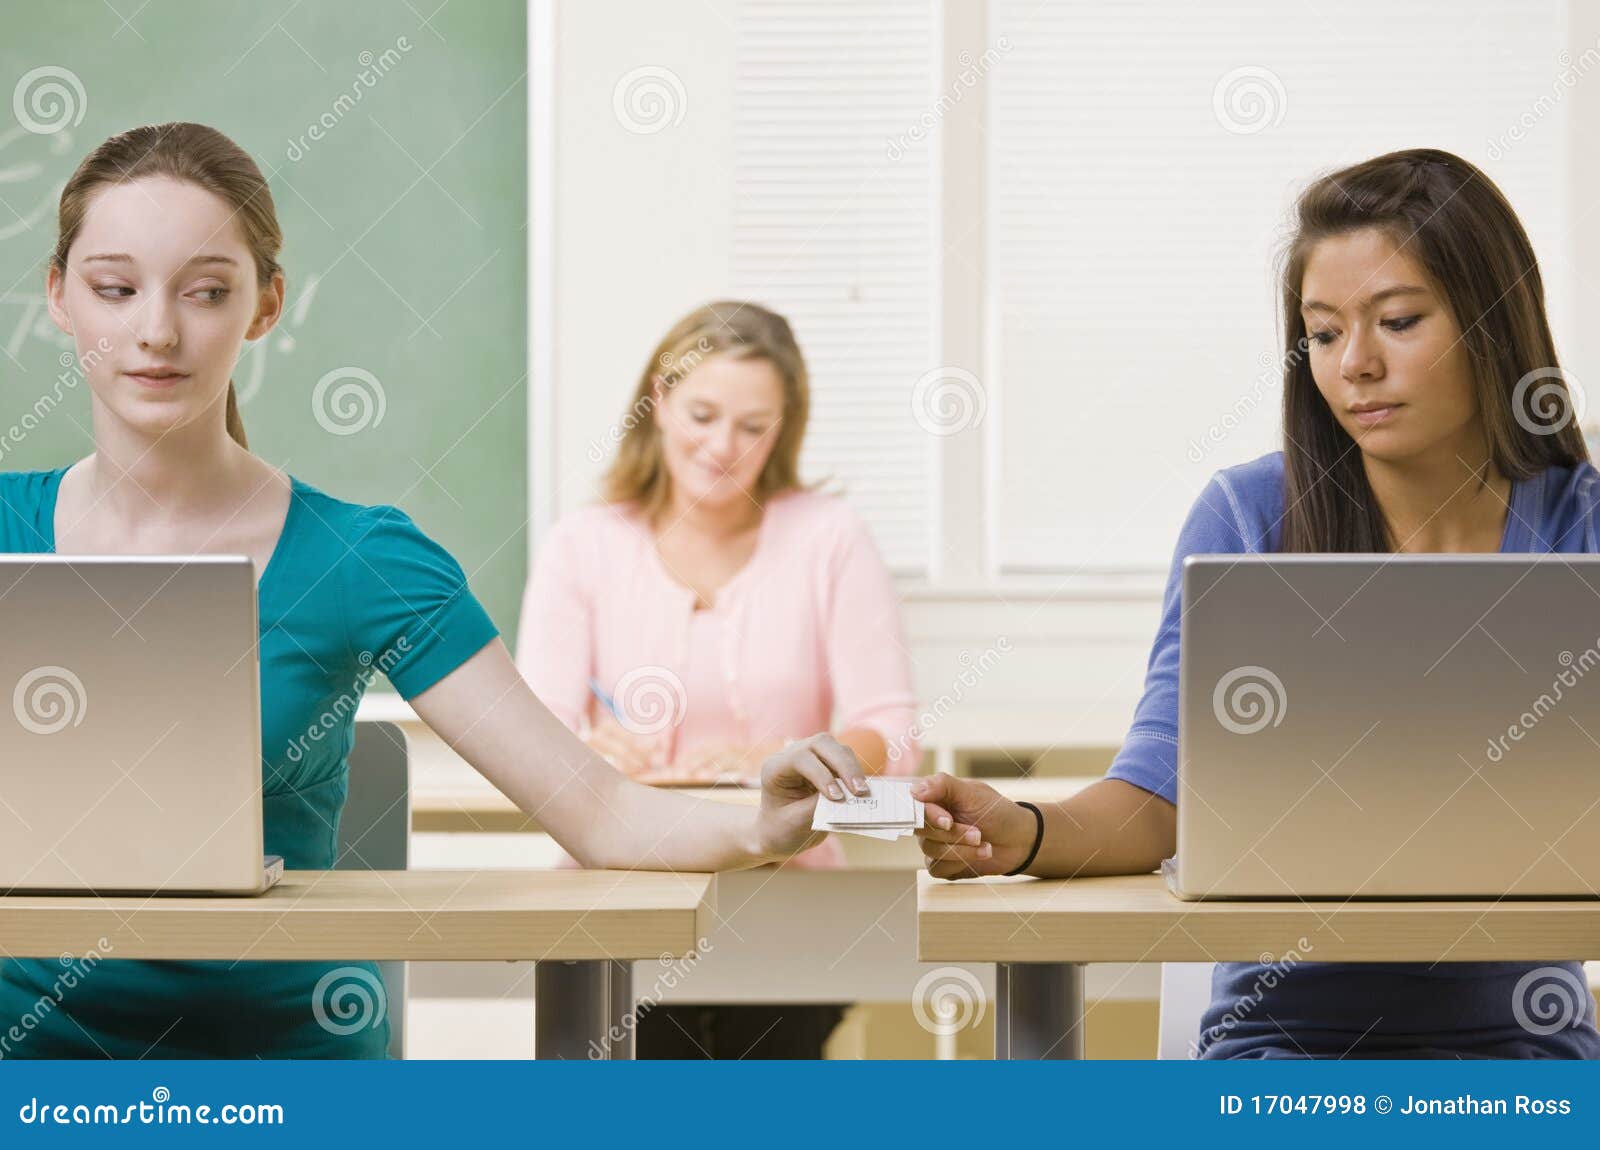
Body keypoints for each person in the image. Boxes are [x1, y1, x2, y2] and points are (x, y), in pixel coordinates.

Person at [0, 123, 869, 1059]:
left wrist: (761, 826)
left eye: (206, 291)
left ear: (265, 305)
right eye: (115, 289)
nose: (157, 331)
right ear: (59, 296)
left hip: (285, 1063)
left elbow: (600, 811)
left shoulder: (364, 557)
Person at [914, 147, 1600, 1059]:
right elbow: (1159, 796)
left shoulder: (1582, 526)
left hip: (1530, 1051)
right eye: (1324, 334)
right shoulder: (1248, 516)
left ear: (1493, 321)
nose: (1356, 365)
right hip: (1281, 1050)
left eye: (1398, 322)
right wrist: (1026, 831)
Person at [517, 300, 922, 1057]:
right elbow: (530, 733)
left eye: (752, 426)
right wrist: (586, 752)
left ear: (783, 429)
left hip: (789, 905)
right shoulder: (583, 545)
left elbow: (895, 735)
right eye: (702, 415)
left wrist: (799, 760)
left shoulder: (829, 537)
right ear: (660, 399)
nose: (722, 447)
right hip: (618, 896)